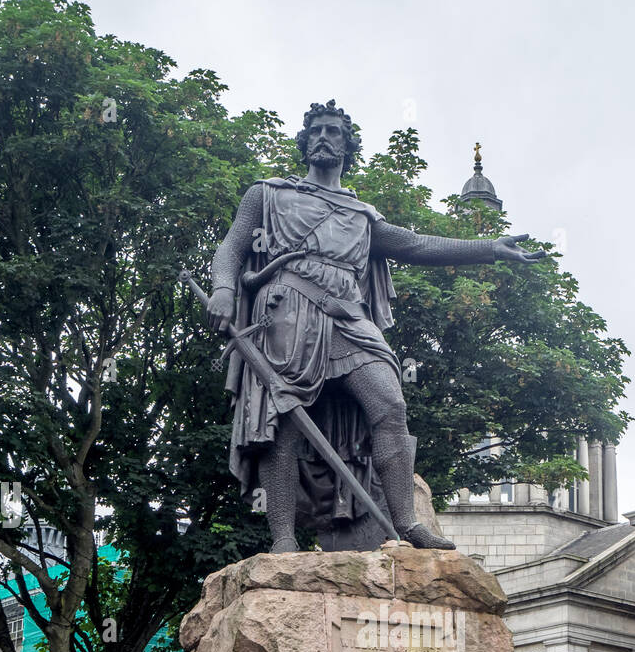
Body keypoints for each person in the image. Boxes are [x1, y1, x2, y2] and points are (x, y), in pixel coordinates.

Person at [208, 100, 544, 552]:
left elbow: (419, 244)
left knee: (389, 406)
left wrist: (490, 248)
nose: (324, 137)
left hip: (348, 316)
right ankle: (283, 539)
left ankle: (408, 524)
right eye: (317, 131)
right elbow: (230, 248)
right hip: (287, 312)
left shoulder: (361, 216)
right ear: (305, 142)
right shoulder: (268, 194)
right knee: (284, 419)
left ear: (348, 147)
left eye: (334, 132)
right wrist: (224, 290)